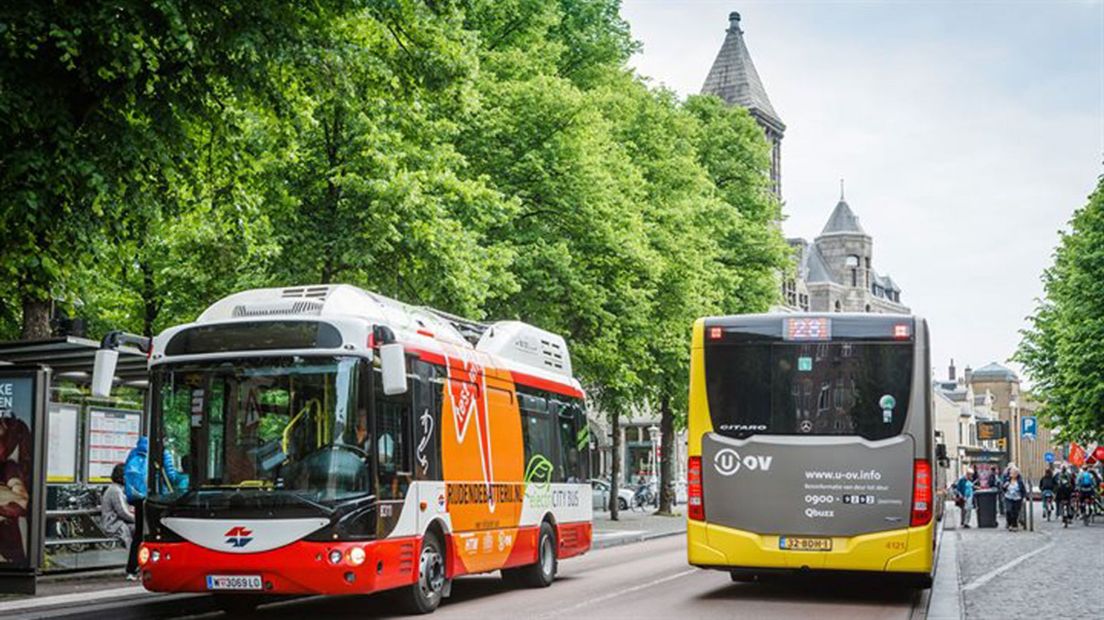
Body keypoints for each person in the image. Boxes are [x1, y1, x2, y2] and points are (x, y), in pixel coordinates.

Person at [123, 437, 181, 578]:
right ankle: (155, 566)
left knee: (139, 534)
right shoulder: (162, 453)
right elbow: (171, 477)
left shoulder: (134, 453)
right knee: (159, 532)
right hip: (157, 499)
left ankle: (132, 569)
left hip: (138, 499)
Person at [100, 463, 134, 547]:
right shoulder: (115, 491)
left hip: (117, 523)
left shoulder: (116, 488)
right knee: (142, 529)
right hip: (114, 525)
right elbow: (123, 512)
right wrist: (138, 519)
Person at [1002, 466, 1027, 531]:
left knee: (1015, 512)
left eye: (1013, 473)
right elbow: (1003, 489)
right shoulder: (1007, 480)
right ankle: (1010, 523)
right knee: (1008, 510)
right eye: (1011, 473)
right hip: (1008, 497)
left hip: (1017, 498)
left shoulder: (1020, 482)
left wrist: (1024, 497)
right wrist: (1004, 486)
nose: (1011, 474)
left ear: (1016, 474)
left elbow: (1023, 490)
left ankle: (1014, 525)